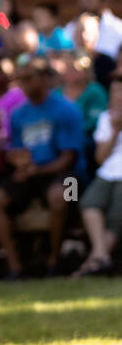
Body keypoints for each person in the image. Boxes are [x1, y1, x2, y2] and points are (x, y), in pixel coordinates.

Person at [0, 58, 83, 278]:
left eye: (28, 78)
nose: (23, 85)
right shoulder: (18, 114)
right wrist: (17, 163)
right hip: (33, 174)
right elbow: (20, 152)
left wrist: (35, 171)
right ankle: (15, 267)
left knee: (62, 195)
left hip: (70, 177)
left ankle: (54, 262)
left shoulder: (67, 109)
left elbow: (68, 159)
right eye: (20, 80)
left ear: (45, 79)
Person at [74, 74, 122, 276]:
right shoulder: (106, 118)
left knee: (117, 216)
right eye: (114, 92)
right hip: (107, 173)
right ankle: (100, 257)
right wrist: (115, 128)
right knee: (87, 202)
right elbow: (101, 157)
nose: (117, 96)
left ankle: (94, 261)